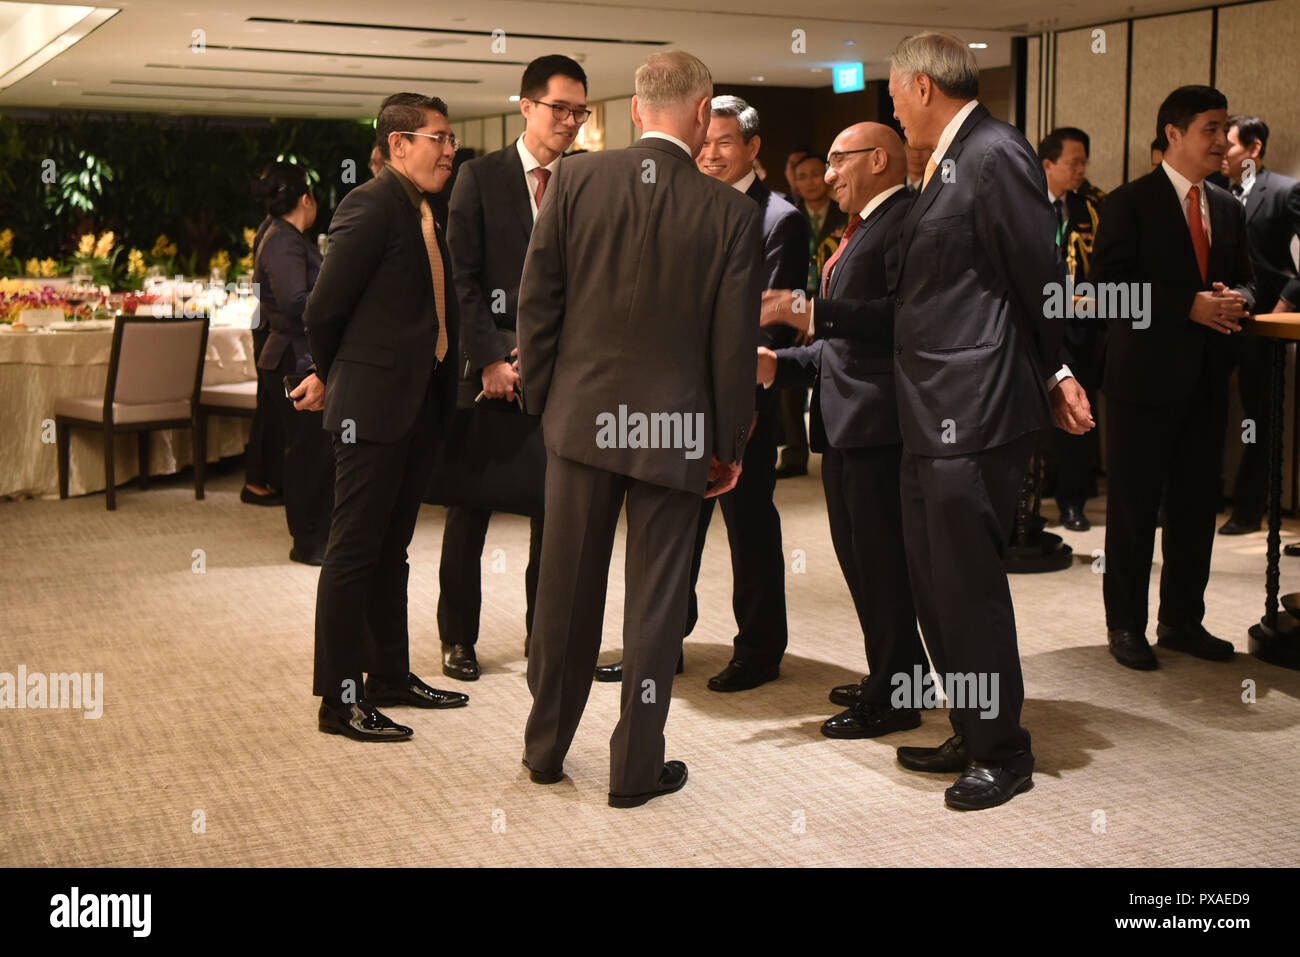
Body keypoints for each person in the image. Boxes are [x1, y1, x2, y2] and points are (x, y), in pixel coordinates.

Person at [517, 51, 762, 807]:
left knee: (565, 595)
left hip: (580, 422)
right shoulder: (732, 212)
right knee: (654, 610)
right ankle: (633, 772)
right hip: (679, 432)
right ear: (701, 115)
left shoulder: (577, 180)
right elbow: (731, 348)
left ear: (632, 111)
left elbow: (537, 302)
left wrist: (547, 406)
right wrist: (729, 444)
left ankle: (547, 750)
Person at [885, 32, 1093, 811]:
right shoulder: (948, 156)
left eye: (895, 92)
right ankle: (974, 727)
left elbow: (1038, 272)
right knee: (934, 582)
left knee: (966, 584)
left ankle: (1003, 752)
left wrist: (1058, 368)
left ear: (923, 86)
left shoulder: (995, 152)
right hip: (927, 408)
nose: (893, 107)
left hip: (973, 407)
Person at [592, 94, 807, 692]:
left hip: (741, 402)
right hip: (678, 400)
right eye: (704, 142)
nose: (710, 154)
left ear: (752, 149)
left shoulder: (779, 219)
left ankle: (760, 649)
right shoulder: (685, 202)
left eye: (725, 144)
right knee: (672, 531)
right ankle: (662, 647)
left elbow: (766, 318)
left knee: (750, 528)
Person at [297, 92, 469, 742]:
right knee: (353, 553)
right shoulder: (370, 204)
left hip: (418, 405)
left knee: (392, 550)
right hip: (371, 408)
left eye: (450, 139)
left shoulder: (424, 207)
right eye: (438, 138)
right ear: (398, 144)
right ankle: (340, 701)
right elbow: (323, 309)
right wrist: (338, 375)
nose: (449, 150)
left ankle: (389, 675)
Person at [758, 122, 929, 738]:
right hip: (846, 421)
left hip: (881, 428)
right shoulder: (858, 226)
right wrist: (780, 363)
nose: (825, 176)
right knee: (862, 563)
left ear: (878, 159)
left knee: (880, 566)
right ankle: (896, 672)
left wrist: (803, 309)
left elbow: (901, 320)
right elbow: (843, 345)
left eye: (836, 161)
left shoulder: (905, 221)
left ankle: (895, 696)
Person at [1093, 85, 1256, 673]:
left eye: (1225, 129)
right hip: (1142, 381)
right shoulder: (1128, 202)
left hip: (1208, 380)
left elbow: (1248, 280)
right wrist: (1183, 304)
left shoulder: (1229, 207)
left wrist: (1239, 297)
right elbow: (1102, 290)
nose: (1222, 141)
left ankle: (1183, 620)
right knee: (1135, 510)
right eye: (1211, 129)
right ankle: (1126, 626)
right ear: (1174, 133)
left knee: (1195, 507)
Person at [437, 54, 589, 682]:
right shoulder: (480, 177)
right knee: (469, 510)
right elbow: (461, 280)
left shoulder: (586, 178)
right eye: (560, 109)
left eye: (580, 111)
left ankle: (542, 637)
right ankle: (458, 639)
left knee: (553, 512)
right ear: (526, 106)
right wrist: (492, 357)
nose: (572, 122)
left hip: (560, 377)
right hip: (489, 374)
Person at [1218, 114, 1300, 535]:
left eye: (1228, 144)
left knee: (1256, 420)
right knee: (1205, 412)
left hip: (1262, 322)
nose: (1221, 152)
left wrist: (1284, 305)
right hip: (1217, 322)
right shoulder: (1214, 192)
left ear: (1253, 149)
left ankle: (1249, 509)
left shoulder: (1285, 191)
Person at [249, 162, 333, 565]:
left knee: (311, 449)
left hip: (292, 353)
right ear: (306, 199)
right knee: (307, 451)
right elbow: (294, 301)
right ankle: (309, 541)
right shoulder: (283, 239)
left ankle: (316, 536)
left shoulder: (280, 234)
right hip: (292, 357)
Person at [1039, 127, 1105, 532]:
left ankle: (1073, 502)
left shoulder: (1090, 209)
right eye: (1072, 163)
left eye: (1084, 162)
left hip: (1079, 326)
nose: (1080, 170)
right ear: (1047, 164)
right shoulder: (1023, 205)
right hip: (1033, 323)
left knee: (1079, 411)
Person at [773, 152, 848, 480]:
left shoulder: (845, 212)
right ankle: (794, 452)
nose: (810, 181)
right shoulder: (789, 215)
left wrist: (816, 315)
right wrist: (801, 312)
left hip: (833, 307)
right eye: (802, 176)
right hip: (794, 306)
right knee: (788, 386)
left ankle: (837, 443)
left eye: (817, 173)